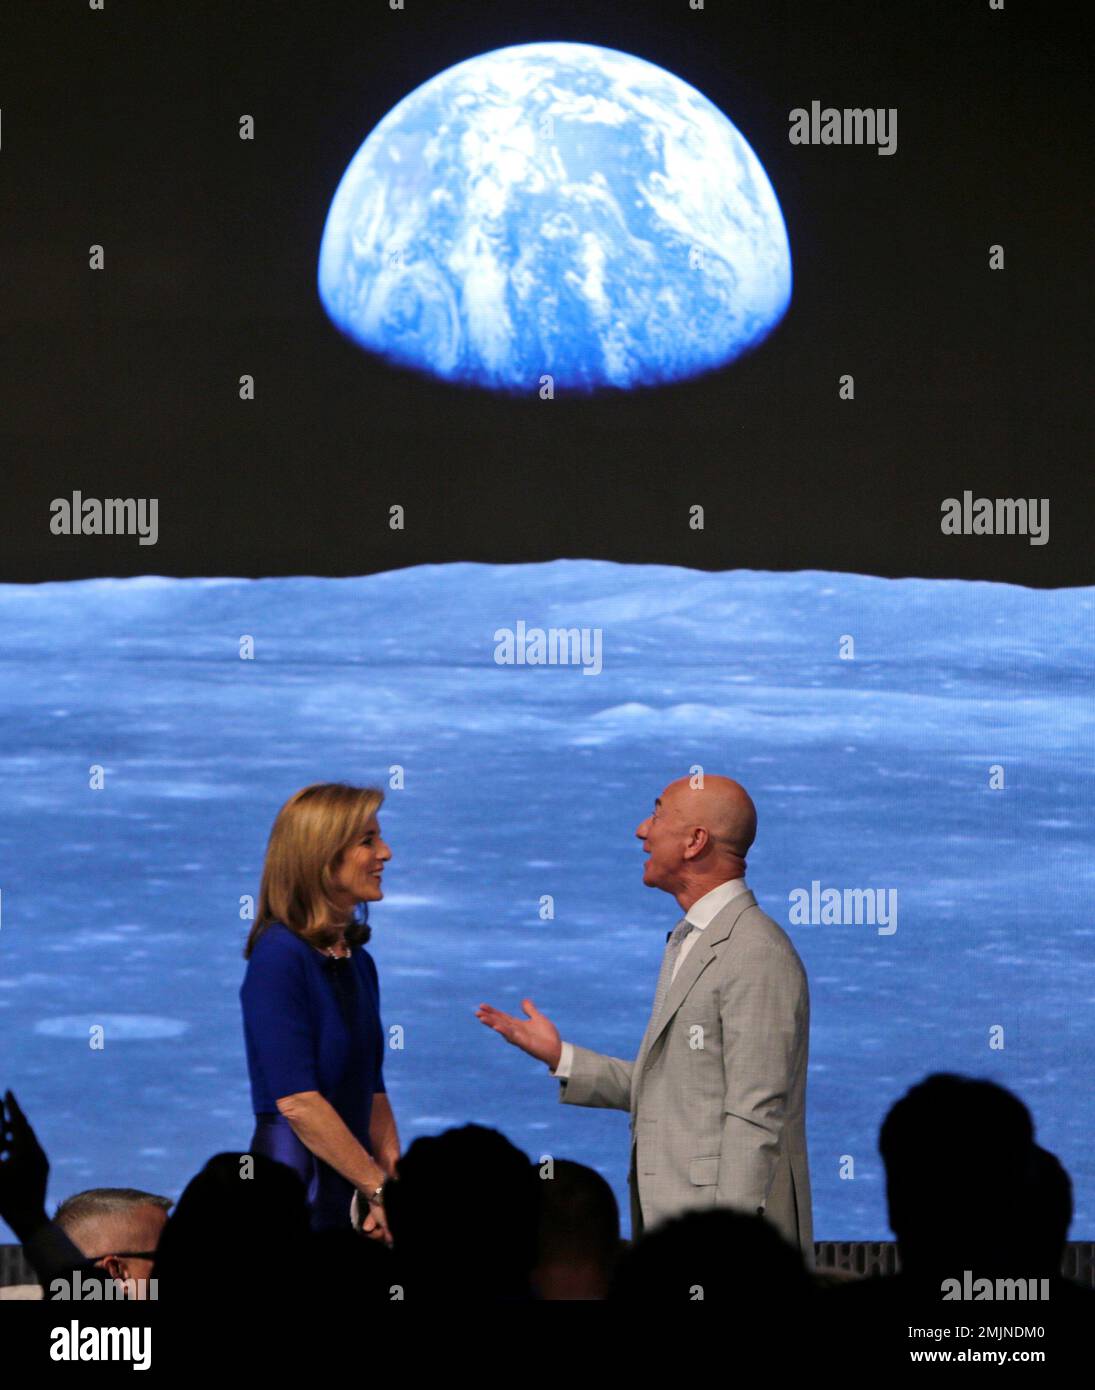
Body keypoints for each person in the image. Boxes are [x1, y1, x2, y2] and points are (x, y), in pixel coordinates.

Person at [477, 774, 814, 1262]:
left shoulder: (754, 950)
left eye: (656, 815)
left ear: (695, 842)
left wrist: (728, 1250)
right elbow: (678, 1092)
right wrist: (562, 1057)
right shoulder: (689, 939)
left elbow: (755, 1116)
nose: (641, 829)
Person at [240, 783, 398, 1238]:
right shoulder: (279, 957)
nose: (385, 853)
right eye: (367, 841)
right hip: (293, 1187)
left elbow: (373, 1091)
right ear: (321, 856)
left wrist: (394, 1188)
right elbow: (298, 1103)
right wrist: (377, 1189)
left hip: (352, 1182)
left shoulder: (358, 962)